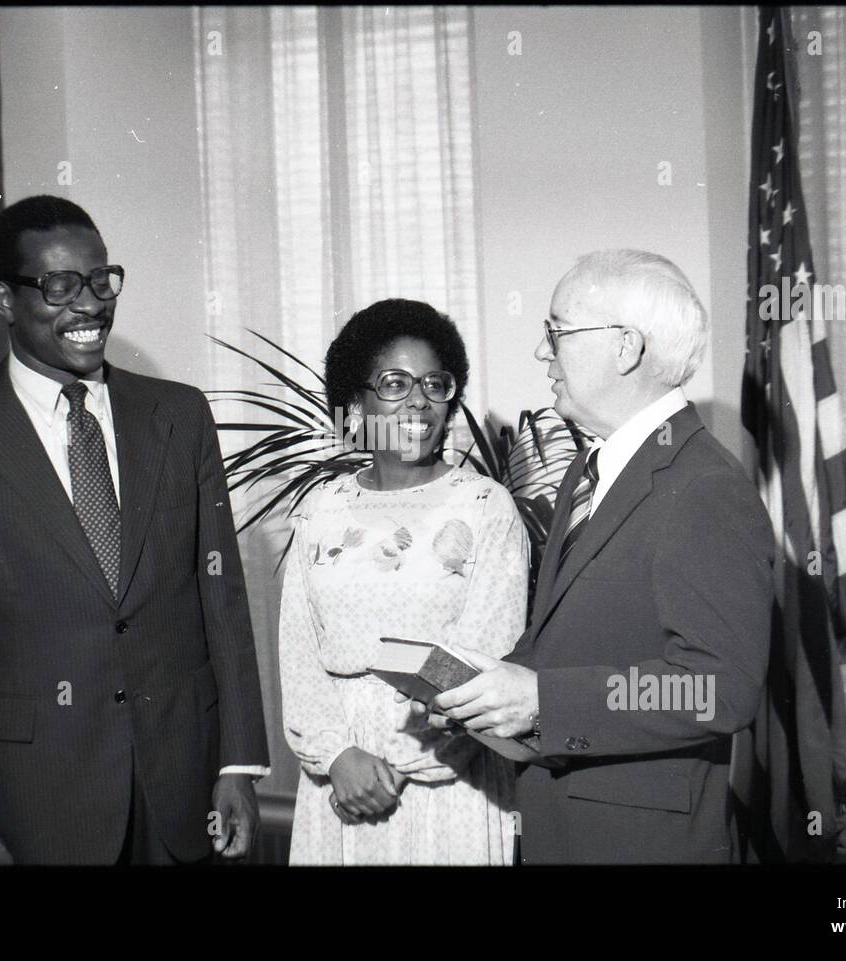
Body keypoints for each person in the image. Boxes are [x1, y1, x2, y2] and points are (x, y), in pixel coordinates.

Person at [0, 195, 269, 865]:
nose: (90, 304)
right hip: (36, 807)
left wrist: (238, 763)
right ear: (5, 298)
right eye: (61, 285)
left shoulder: (180, 415)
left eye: (100, 279)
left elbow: (224, 603)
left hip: (180, 792)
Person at [412, 250, 773, 863]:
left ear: (627, 347)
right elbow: (570, 647)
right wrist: (484, 693)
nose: (541, 351)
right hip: (561, 824)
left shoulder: (707, 489)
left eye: (556, 331)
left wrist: (544, 701)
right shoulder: (590, 470)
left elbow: (718, 688)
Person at [279, 299, 527, 865]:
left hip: (445, 779)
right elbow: (298, 651)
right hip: (336, 775)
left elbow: (481, 658)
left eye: (435, 384)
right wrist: (339, 757)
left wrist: (395, 762)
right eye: (395, 382)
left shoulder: (486, 508)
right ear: (357, 401)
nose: (418, 400)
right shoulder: (321, 509)